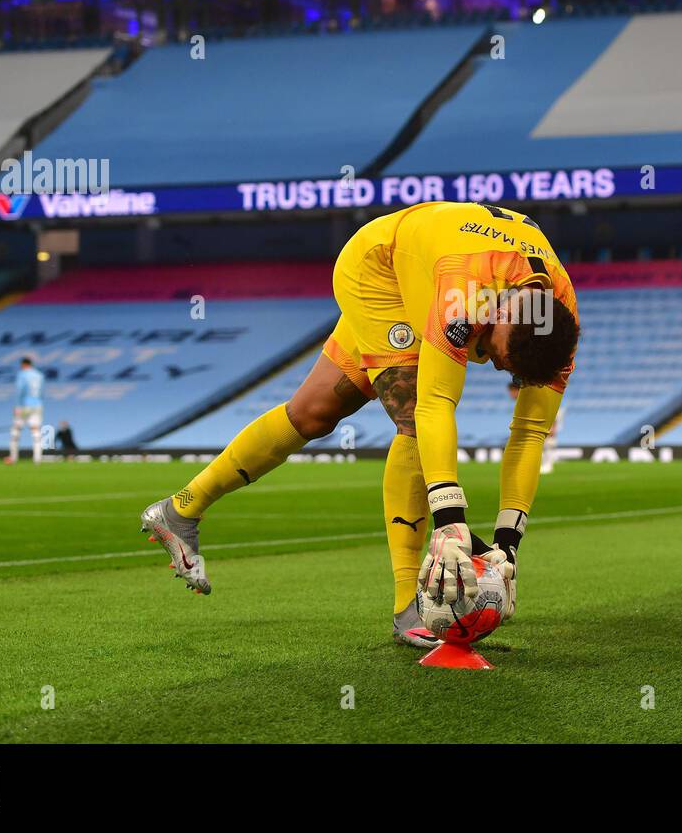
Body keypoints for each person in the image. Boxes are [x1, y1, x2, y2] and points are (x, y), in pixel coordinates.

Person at [139, 202, 580, 648]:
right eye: (496, 351)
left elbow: (528, 435)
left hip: (426, 272)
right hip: (380, 268)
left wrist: (507, 546)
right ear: (501, 312)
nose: (491, 361)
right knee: (411, 419)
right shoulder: (465, 296)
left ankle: (181, 508)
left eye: (507, 369)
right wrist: (450, 522)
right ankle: (409, 607)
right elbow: (434, 406)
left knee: (313, 412)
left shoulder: (560, 322)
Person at [6, 357, 45, 465]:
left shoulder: (22, 374)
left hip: (24, 406)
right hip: (37, 406)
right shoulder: (39, 375)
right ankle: (37, 459)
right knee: (36, 431)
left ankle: (13, 457)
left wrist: (17, 406)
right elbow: (42, 393)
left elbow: (20, 391)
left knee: (16, 430)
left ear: (23, 364)